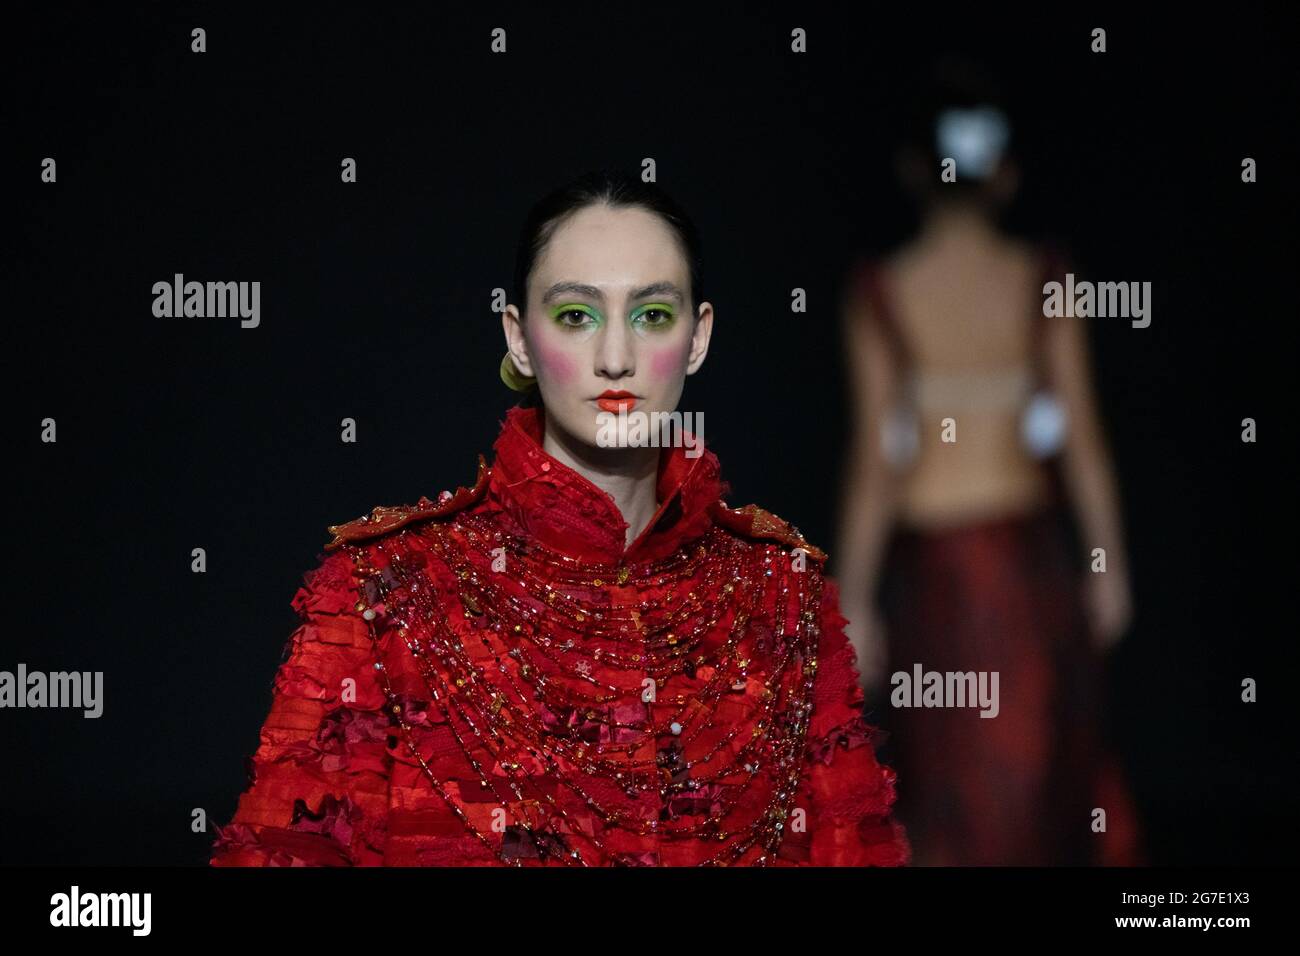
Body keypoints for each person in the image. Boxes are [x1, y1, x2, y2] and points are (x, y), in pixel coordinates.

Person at [210, 169, 911, 866]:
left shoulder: (784, 599)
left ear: (698, 337)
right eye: (576, 316)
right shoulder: (384, 593)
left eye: (652, 315)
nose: (616, 358)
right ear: (518, 338)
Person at [834, 60, 1143, 865]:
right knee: (1030, 792)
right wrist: (1108, 563)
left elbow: (875, 462)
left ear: (914, 170)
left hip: (935, 581)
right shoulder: (1040, 279)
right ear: (1004, 172)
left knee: (953, 803)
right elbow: (1084, 439)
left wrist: (853, 597)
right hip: (1027, 571)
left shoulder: (884, 290)